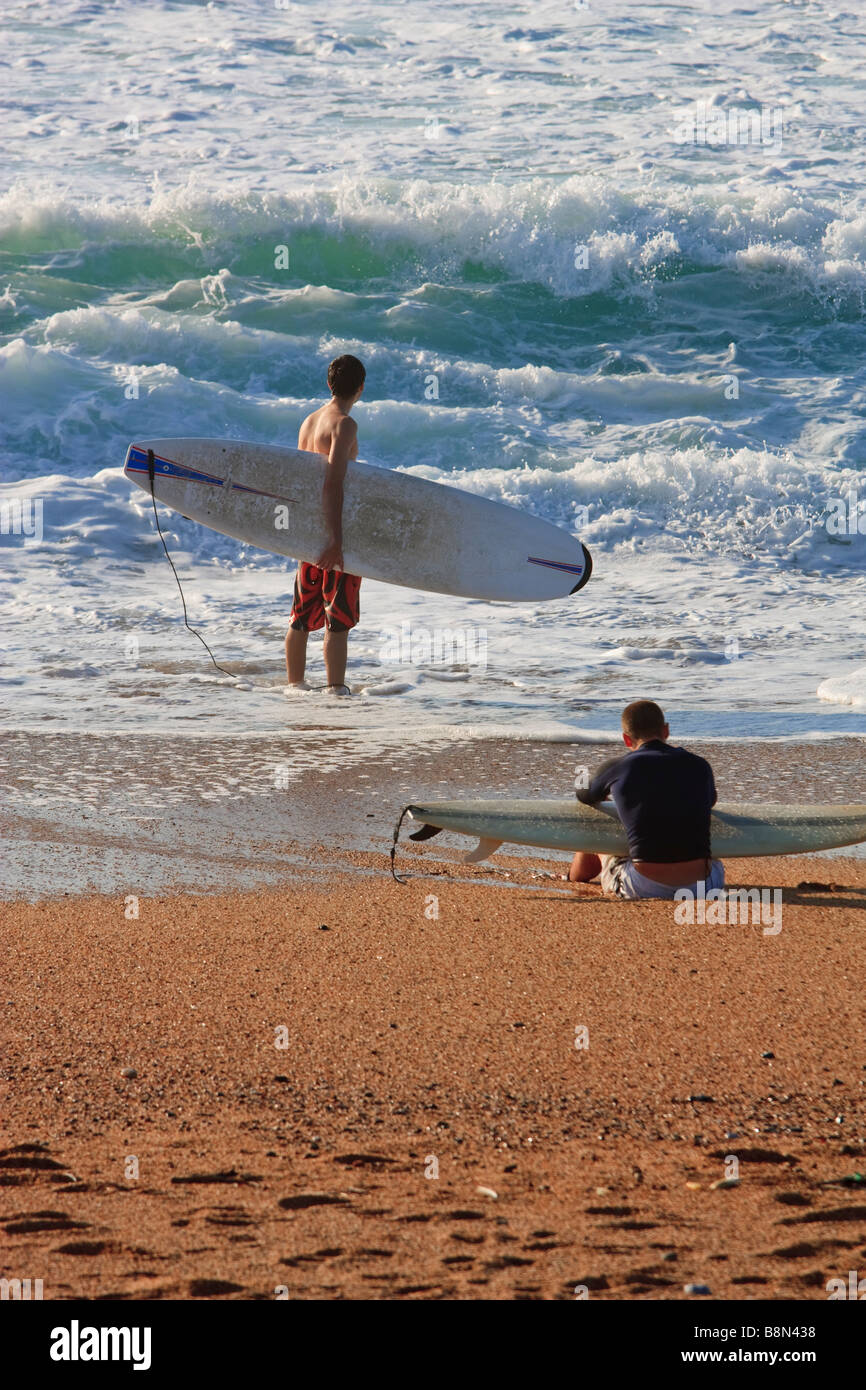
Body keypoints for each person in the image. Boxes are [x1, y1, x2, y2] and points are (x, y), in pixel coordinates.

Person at [568, 699, 724, 900]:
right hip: (706, 886)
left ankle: (573, 877)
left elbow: (584, 795)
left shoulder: (619, 767)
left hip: (642, 887)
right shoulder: (700, 766)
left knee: (598, 828)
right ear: (666, 730)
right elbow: (709, 801)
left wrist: (582, 775)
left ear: (626, 739)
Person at [286, 354, 365, 695]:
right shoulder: (344, 425)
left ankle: (296, 688)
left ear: (329, 384)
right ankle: (335, 691)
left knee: (302, 615)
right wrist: (336, 539)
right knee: (339, 618)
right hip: (332, 532)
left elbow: (302, 482)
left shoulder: (308, 421)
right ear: (360, 389)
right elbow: (332, 484)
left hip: (307, 533)